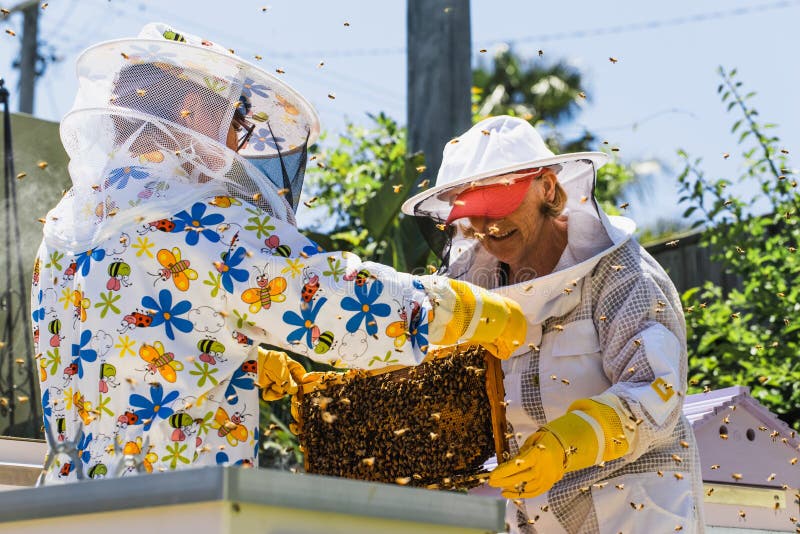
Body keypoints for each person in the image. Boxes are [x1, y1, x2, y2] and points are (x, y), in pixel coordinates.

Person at [31, 24, 525, 484]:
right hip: (171, 507)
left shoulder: (65, 229)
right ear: (188, 110)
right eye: (237, 119)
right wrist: (456, 309)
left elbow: (122, 344)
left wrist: (221, 343)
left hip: (68, 503)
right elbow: (327, 299)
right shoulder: (203, 216)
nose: (237, 143)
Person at [402, 116, 703, 533]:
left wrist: (568, 442)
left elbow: (656, 392)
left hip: (635, 512)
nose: (488, 226)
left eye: (499, 206)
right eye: (475, 214)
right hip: (531, 517)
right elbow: (423, 369)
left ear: (548, 187)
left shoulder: (622, 275)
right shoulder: (473, 281)